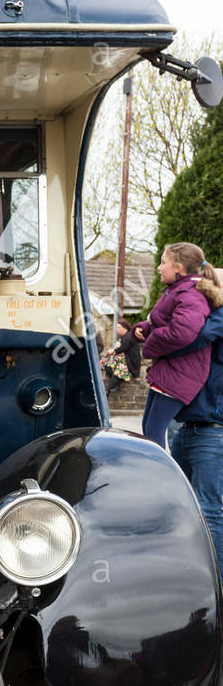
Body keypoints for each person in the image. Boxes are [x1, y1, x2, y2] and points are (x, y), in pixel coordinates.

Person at [132, 242, 223, 447]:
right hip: (171, 371)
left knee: (154, 432)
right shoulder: (179, 289)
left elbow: (182, 332)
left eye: (164, 262)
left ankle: (160, 477)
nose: (159, 267)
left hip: (181, 372)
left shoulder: (190, 293)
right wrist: (145, 328)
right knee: (149, 430)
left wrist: (151, 342)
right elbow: (163, 322)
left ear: (179, 267)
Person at [168, 281, 223, 576]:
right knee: (180, 498)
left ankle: (215, 581)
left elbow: (194, 336)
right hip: (188, 428)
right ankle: (186, 568)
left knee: (210, 508)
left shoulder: (219, 318)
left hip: (212, 431)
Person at [100, 321, 142, 394]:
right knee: (107, 365)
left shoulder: (129, 336)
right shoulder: (125, 336)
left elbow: (123, 347)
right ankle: (115, 385)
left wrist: (113, 351)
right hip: (124, 362)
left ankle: (106, 391)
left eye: (118, 327)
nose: (116, 329)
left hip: (130, 364)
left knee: (119, 372)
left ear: (125, 328)